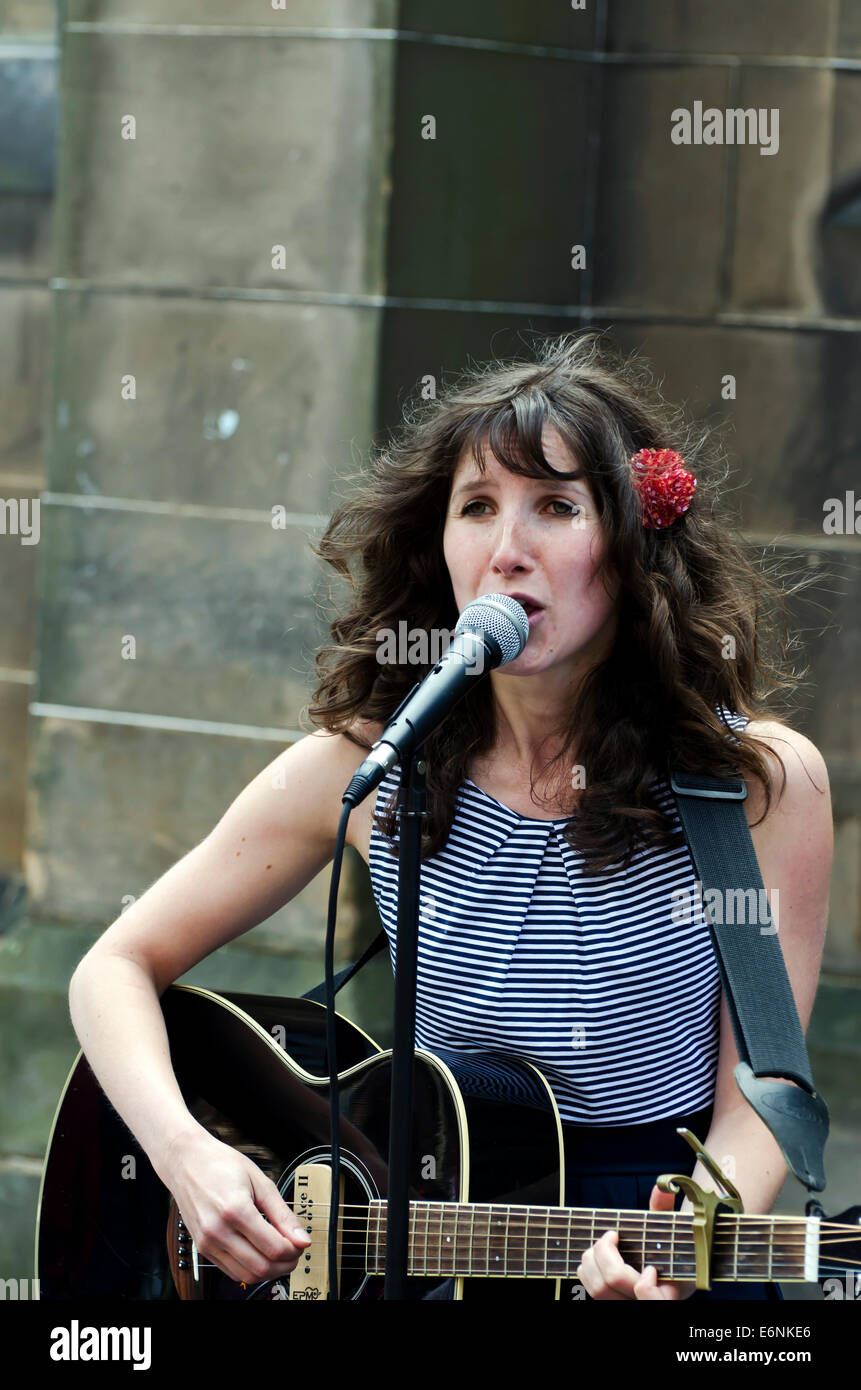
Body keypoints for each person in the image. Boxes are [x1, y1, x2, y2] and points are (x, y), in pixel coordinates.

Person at [68, 330, 832, 1301]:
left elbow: (764, 1100)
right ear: (442, 544)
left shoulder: (755, 785)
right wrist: (185, 1153)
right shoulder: (370, 762)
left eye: (555, 507)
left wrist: (685, 1246)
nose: (507, 551)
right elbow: (112, 967)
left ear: (634, 542)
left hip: (643, 1225)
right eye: (477, 508)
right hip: (413, 1239)